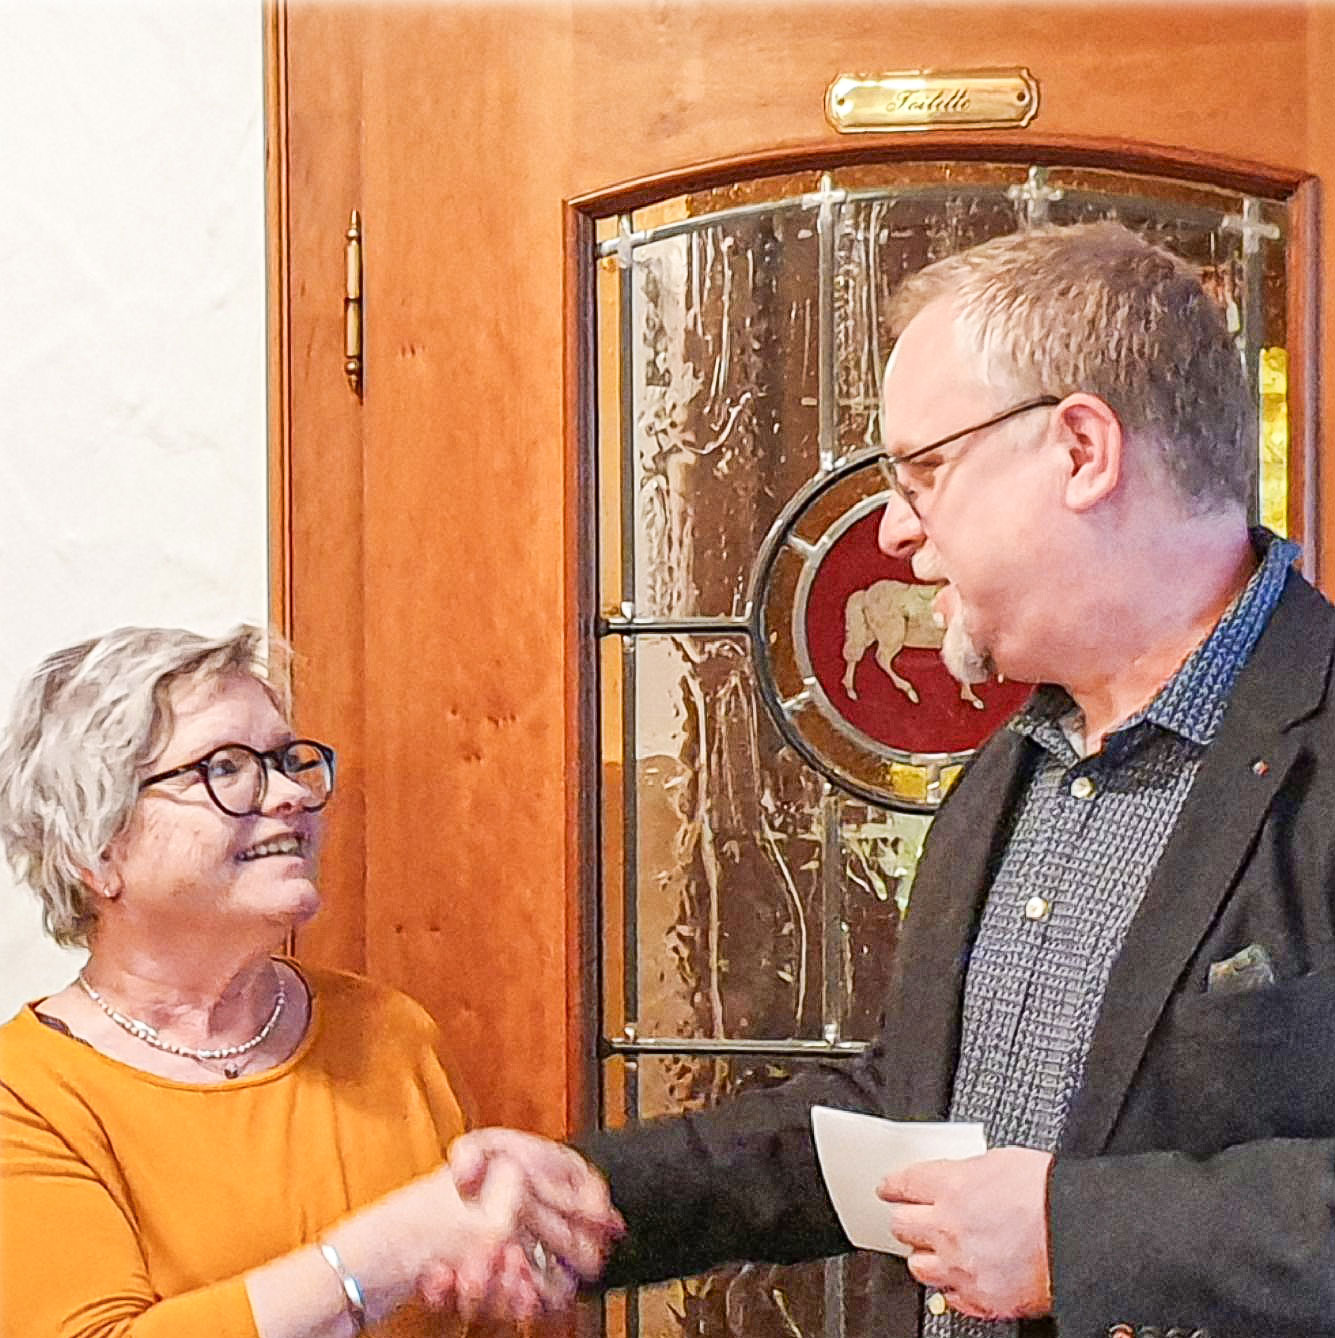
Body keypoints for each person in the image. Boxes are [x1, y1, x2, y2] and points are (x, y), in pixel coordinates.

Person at [439, 221, 1335, 1338]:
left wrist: (1082, 1236)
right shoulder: (1020, 765)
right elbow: (909, 1115)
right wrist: (603, 1196)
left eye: (926, 471)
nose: (900, 528)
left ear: (1080, 451)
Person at [0, 625, 612, 1338]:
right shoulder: (27, 1094)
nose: (291, 793)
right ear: (95, 850)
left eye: (289, 760)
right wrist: (390, 1248)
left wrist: (523, 1248)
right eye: (225, 768)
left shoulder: (387, 1030)